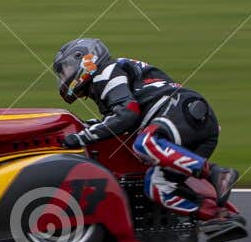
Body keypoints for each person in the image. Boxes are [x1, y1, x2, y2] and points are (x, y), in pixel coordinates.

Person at [51, 37, 238, 219]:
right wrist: (88, 128)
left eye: (66, 69)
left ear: (86, 59)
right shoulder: (105, 82)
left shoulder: (106, 72)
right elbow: (120, 120)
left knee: (145, 143)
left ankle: (216, 174)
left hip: (182, 109)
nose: (65, 77)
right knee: (156, 187)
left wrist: (80, 137)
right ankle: (215, 214)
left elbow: (127, 115)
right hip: (186, 124)